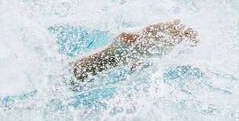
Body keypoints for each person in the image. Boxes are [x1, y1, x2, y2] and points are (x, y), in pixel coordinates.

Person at [68, 19, 198, 85]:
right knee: (77, 73)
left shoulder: (167, 43)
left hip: (119, 52)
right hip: (118, 51)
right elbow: (126, 36)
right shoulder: (165, 38)